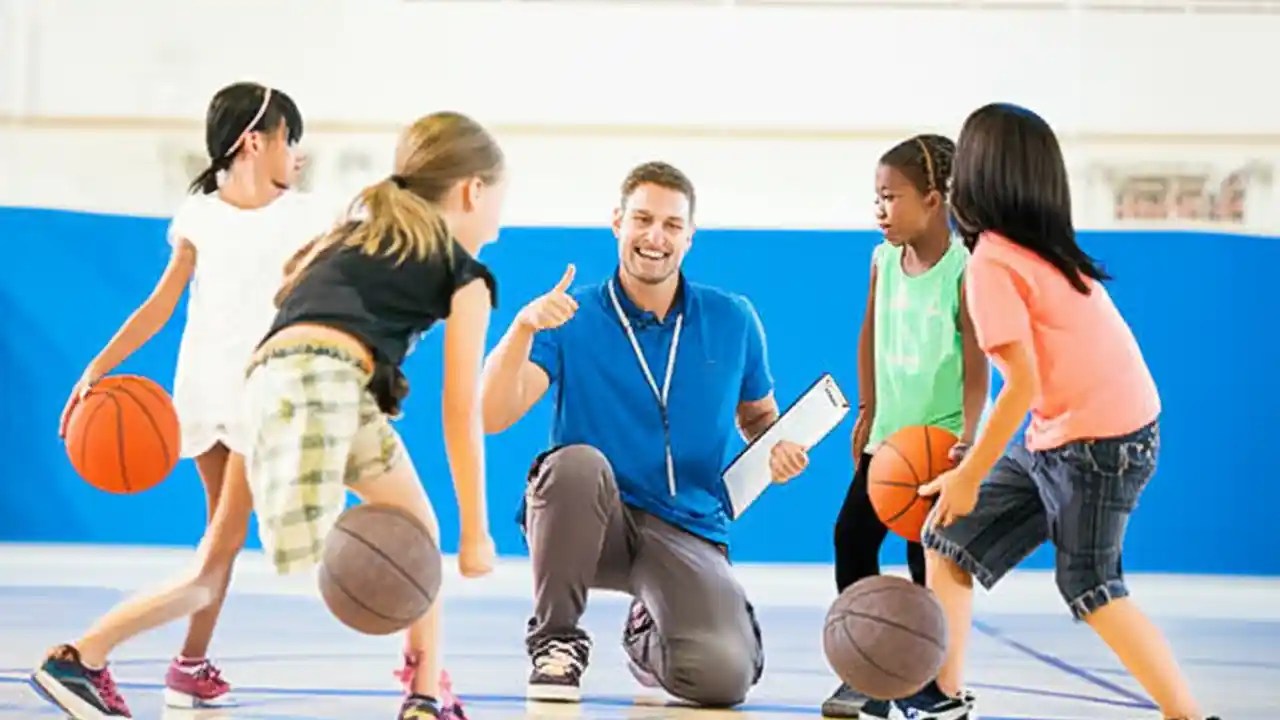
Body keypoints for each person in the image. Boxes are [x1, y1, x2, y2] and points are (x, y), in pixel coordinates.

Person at [32, 109, 504, 720]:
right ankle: (421, 698)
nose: (498, 219)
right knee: (421, 537)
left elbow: (290, 288)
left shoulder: (358, 230)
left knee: (213, 565)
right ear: (473, 190)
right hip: (324, 386)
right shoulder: (466, 276)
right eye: (500, 199)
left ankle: (81, 657)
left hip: (264, 382)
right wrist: (477, 532)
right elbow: (460, 408)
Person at [871, 103, 1218, 720]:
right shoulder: (1038, 250)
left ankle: (1189, 716)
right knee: (946, 539)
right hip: (1069, 430)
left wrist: (971, 471)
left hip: (1100, 442)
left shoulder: (992, 264)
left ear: (974, 179)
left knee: (1090, 585)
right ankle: (941, 697)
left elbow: (1023, 384)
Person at [40, 81, 326, 715]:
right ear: (255, 141)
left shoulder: (308, 215)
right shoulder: (202, 215)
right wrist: (97, 367)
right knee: (220, 546)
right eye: (288, 139)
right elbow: (160, 304)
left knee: (219, 539)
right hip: (220, 393)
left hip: (246, 390)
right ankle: (83, 655)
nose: (296, 153)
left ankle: (189, 666)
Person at [480, 161, 809, 708]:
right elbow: (491, 415)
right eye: (643, 219)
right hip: (591, 520)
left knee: (723, 678)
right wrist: (521, 328)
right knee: (575, 465)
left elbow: (759, 418)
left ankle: (646, 636)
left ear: (690, 236)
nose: (655, 237)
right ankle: (556, 643)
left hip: (687, 527)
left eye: (672, 225)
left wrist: (776, 448)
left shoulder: (733, 319)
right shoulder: (573, 316)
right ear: (617, 223)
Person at [822, 134, 988, 719]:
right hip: (888, 441)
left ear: (934, 199)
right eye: (876, 197)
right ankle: (863, 667)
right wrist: (865, 411)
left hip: (936, 446)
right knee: (851, 538)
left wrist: (970, 436)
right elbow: (869, 334)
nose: (880, 210)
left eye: (891, 197)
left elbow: (978, 362)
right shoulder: (882, 260)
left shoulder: (966, 268)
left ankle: (930, 683)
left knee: (927, 565)